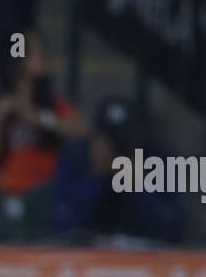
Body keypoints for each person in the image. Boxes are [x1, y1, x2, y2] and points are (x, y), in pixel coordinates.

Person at [0, 29, 85, 196]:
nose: (42, 56)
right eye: (34, 52)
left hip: (46, 191)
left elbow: (80, 129)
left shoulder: (50, 102)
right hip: (2, 191)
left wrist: (38, 118)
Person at [51, 97, 183, 243]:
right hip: (85, 256)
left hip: (144, 256)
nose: (116, 152)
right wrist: (96, 177)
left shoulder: (156, 158)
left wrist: (138, 185)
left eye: (122, 144)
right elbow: (61, 227)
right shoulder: (76, 157)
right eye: (109, 143)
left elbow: (171, 229)